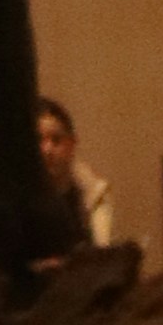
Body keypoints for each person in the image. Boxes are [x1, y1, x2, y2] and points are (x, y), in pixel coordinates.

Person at [37, 97, 118, 253]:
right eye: (39, 140)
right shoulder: (14, 199)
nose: (47, 150)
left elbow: (102, 252)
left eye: (56, 140)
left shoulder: (92, 195)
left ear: (72, 144)